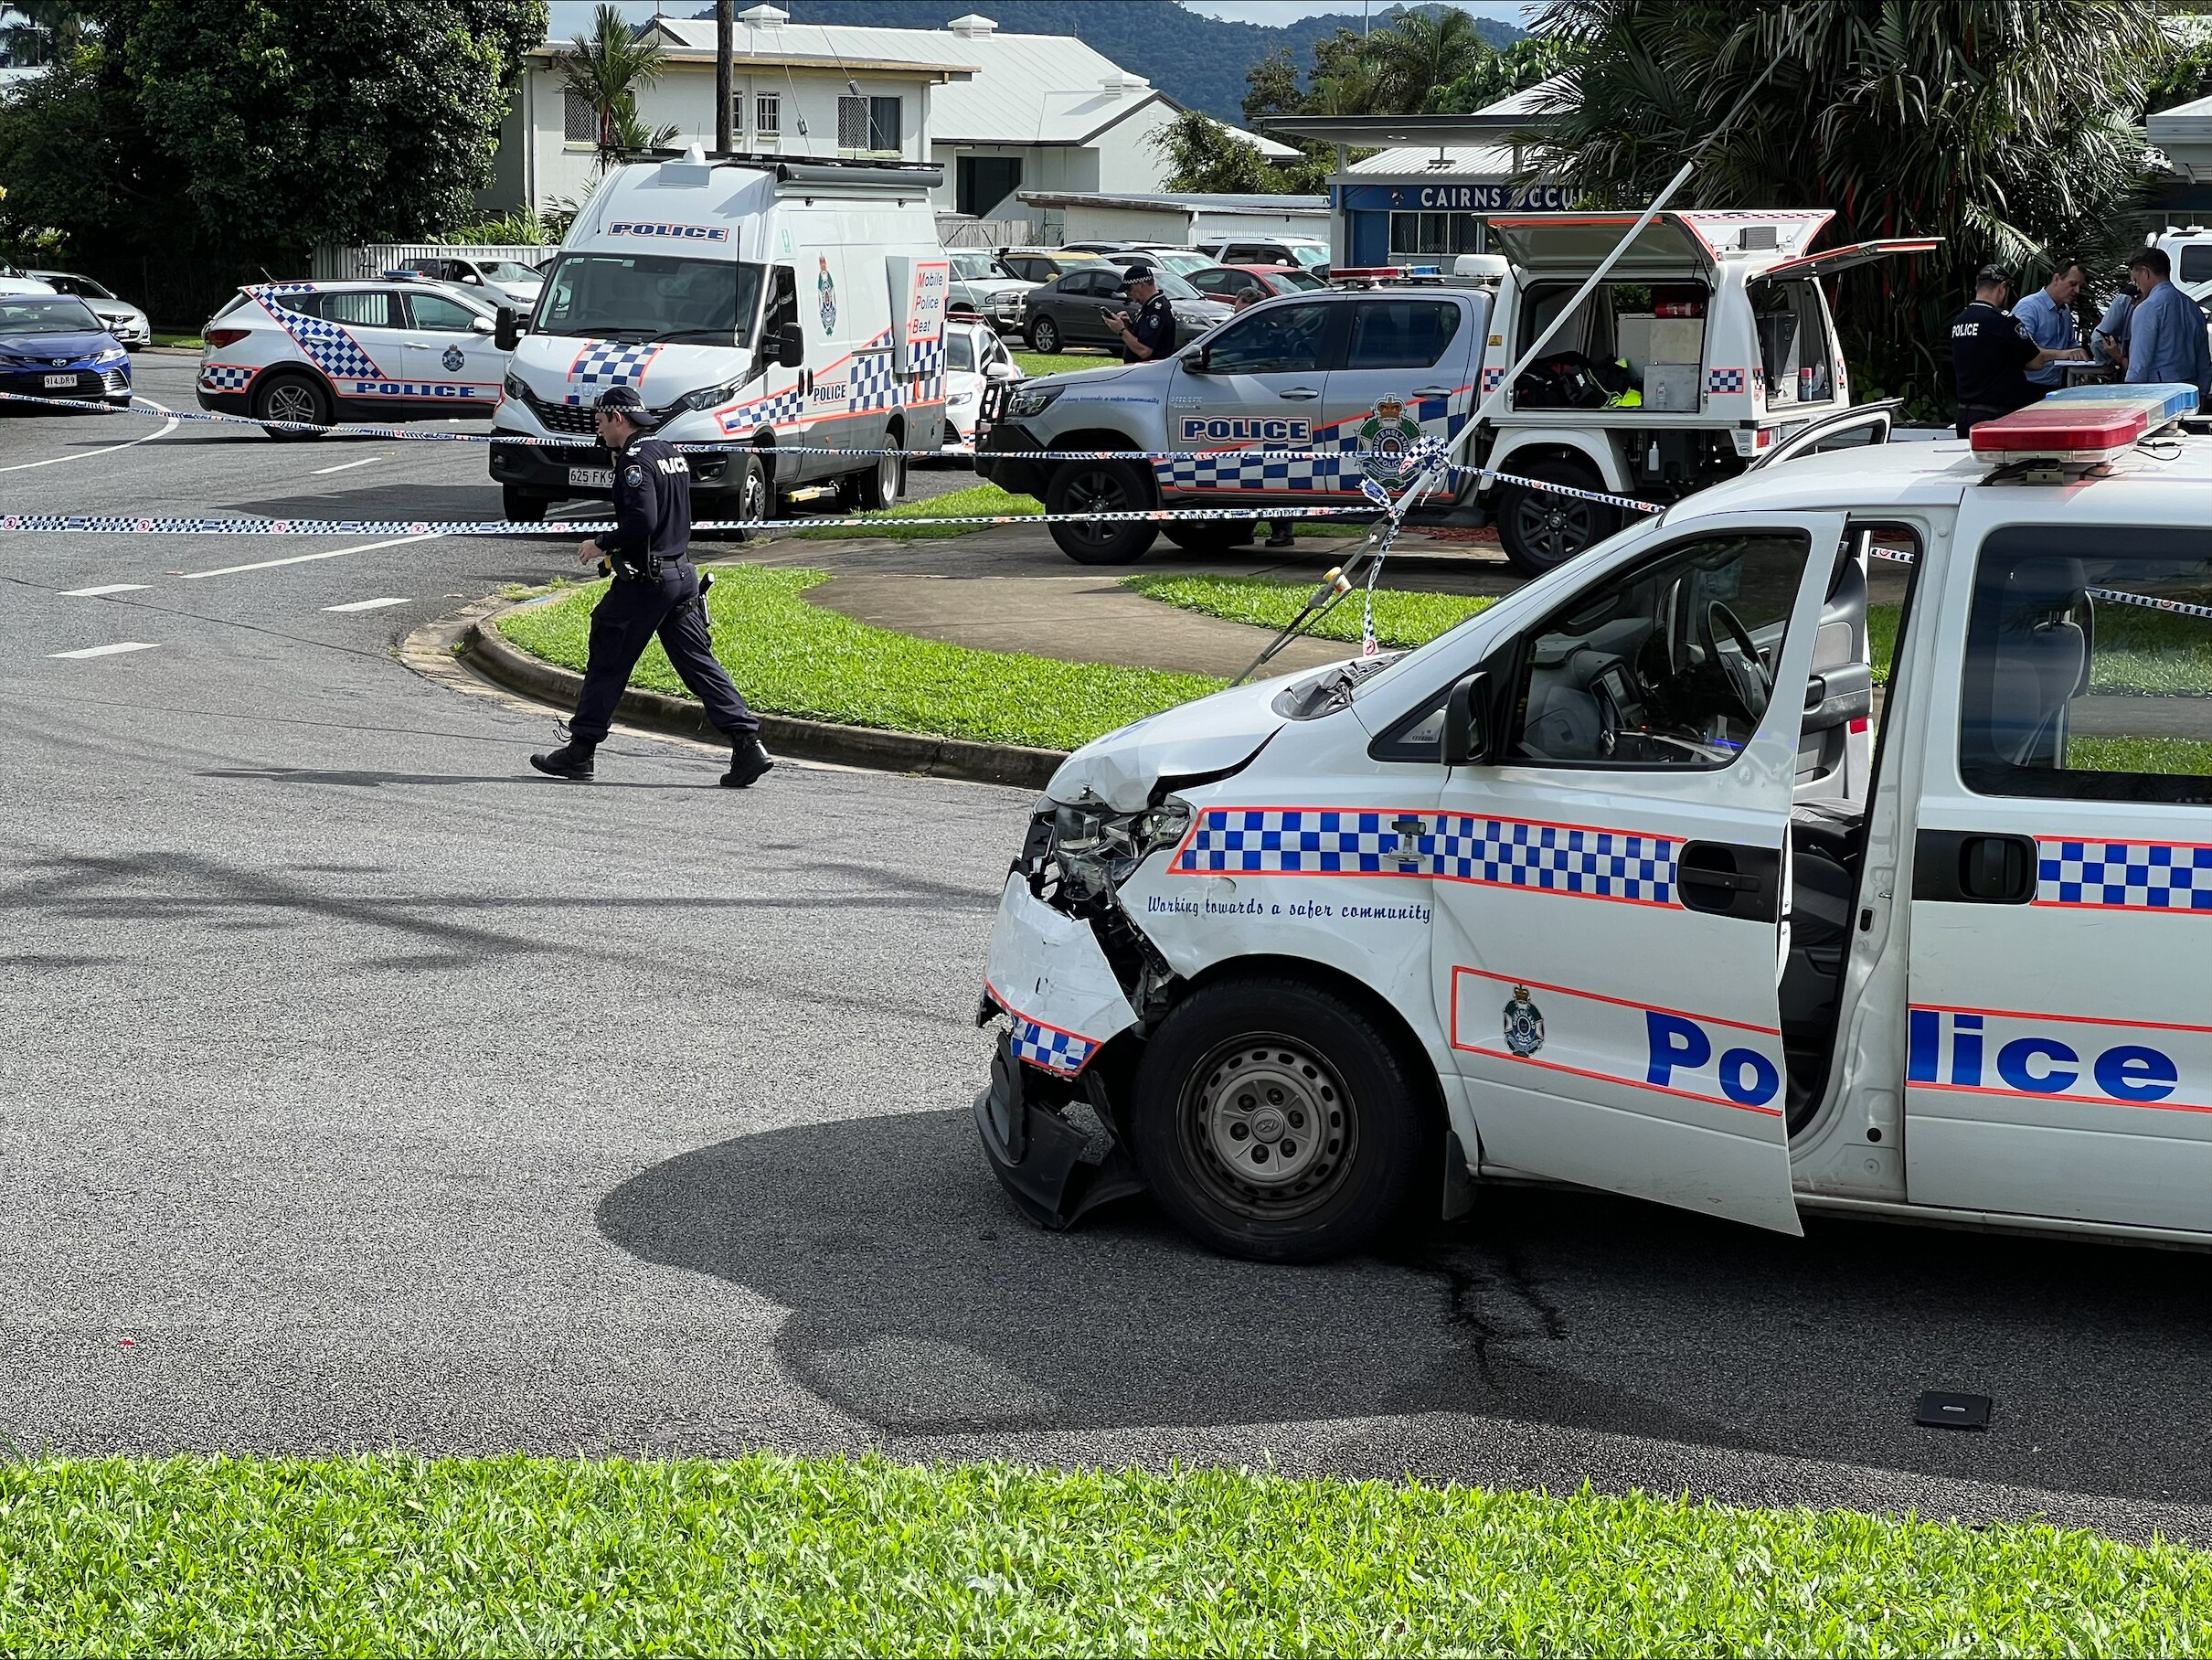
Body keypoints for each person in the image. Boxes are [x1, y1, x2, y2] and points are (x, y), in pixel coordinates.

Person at [529, 386, 774, 788]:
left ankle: (580, 751)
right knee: (698, 664)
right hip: (681, 576)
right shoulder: (668, 451)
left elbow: (641, 521)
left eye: (601, 422)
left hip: (647, 582)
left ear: (618, 418)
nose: (599, 430)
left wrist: (600, 543)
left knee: (608, 656)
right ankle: (748, 744)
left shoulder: (635, 461)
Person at [1948, 264, 2085, 437]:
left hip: (1965, 413)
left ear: (1977, 287)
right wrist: (2063, 354)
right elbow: (2034, 362)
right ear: (2002, 288)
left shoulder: (1960, 321)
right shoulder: (2002, 321)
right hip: (1995, 415)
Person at [2118, 246, 2212, 407]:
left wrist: (2131, 400)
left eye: (2135, 280)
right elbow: (2204, 362)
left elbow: (2139, 366)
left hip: (2157, 399)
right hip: (2189, 395)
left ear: (2145, 272)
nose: (2137, 286)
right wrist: (2202, 394)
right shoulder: (2193, 307)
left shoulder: (2148, 308)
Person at [2011, 259, 2086, 389]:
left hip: (2056, 385)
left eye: (2080, 286)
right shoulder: (2029, 307)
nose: (2077, 291)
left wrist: (2080, 353)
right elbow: (2023, 351)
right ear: (2056, 279)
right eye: (2073, 284)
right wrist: (2065, 354)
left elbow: (2071, 344)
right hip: (2027, 386)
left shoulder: (2065, 310)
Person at [1104, 263, 1175, 364]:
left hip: (1148, 370)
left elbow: (1144, 351)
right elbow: (1143, 337)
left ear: (1141, 285)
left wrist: (1121, 330)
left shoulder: (1156, 310)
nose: (1128, 295)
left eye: (1129, 290)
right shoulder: (1150, 306)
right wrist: (1129, 326)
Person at [2093, 285, 2134, 373]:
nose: (2133, 303)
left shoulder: (2124, 299)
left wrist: (2118, 358)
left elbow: (2097, 340)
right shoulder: (2126, 299)